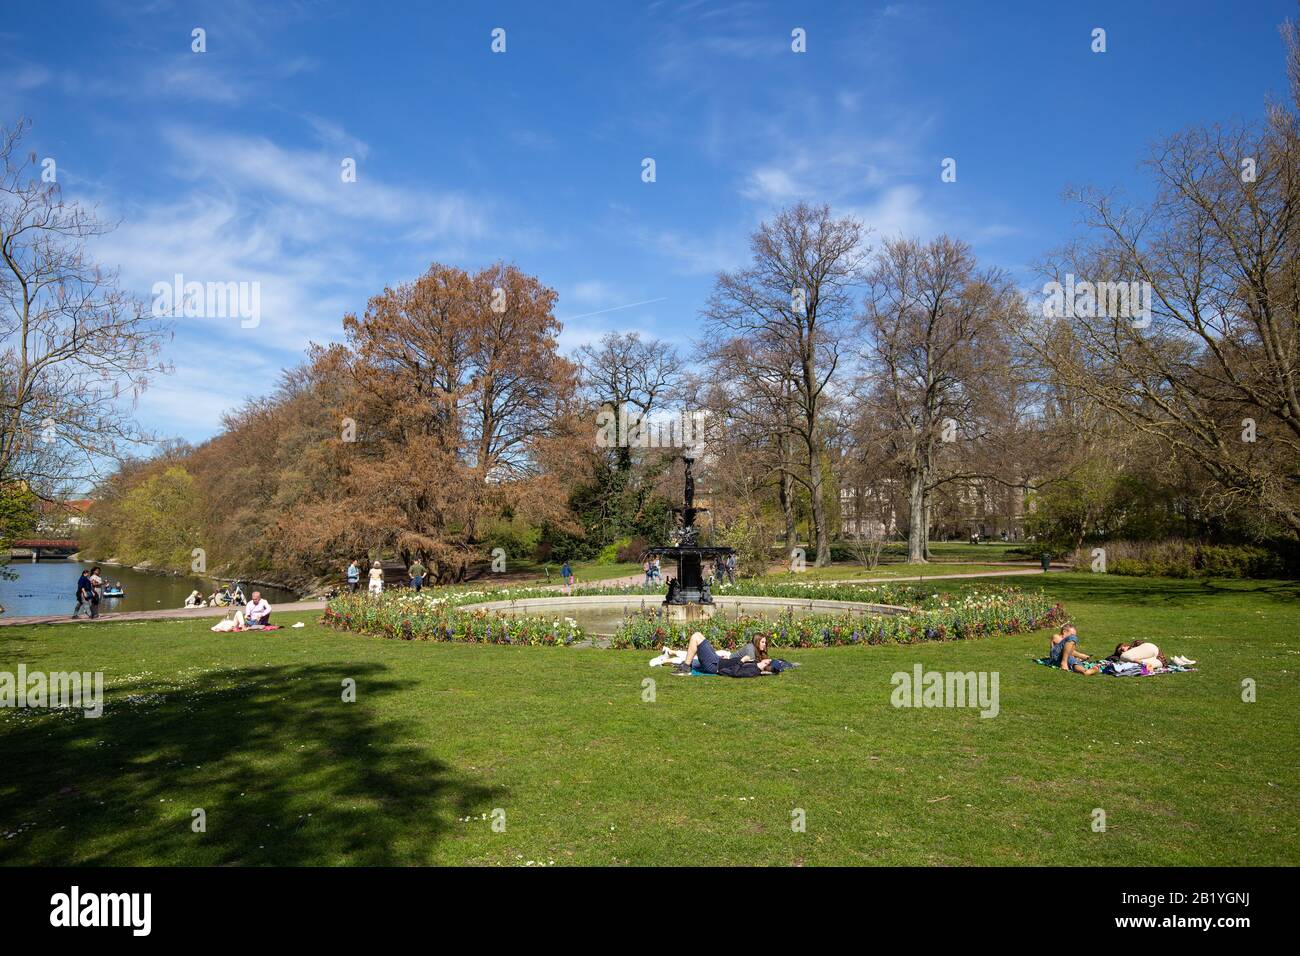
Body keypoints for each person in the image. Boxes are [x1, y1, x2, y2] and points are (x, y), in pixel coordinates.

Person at [673, 631, 773, 677]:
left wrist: (765, 670)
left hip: (714, 665)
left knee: (695, 637)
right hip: (718, 660)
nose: (765, 644)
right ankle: (686, 664)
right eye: (762, 642)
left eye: (765, 642)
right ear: (756, 641)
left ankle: (686, 667)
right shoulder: (751, 649)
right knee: (698, 635)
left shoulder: (754, 665)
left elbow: (739, 670)